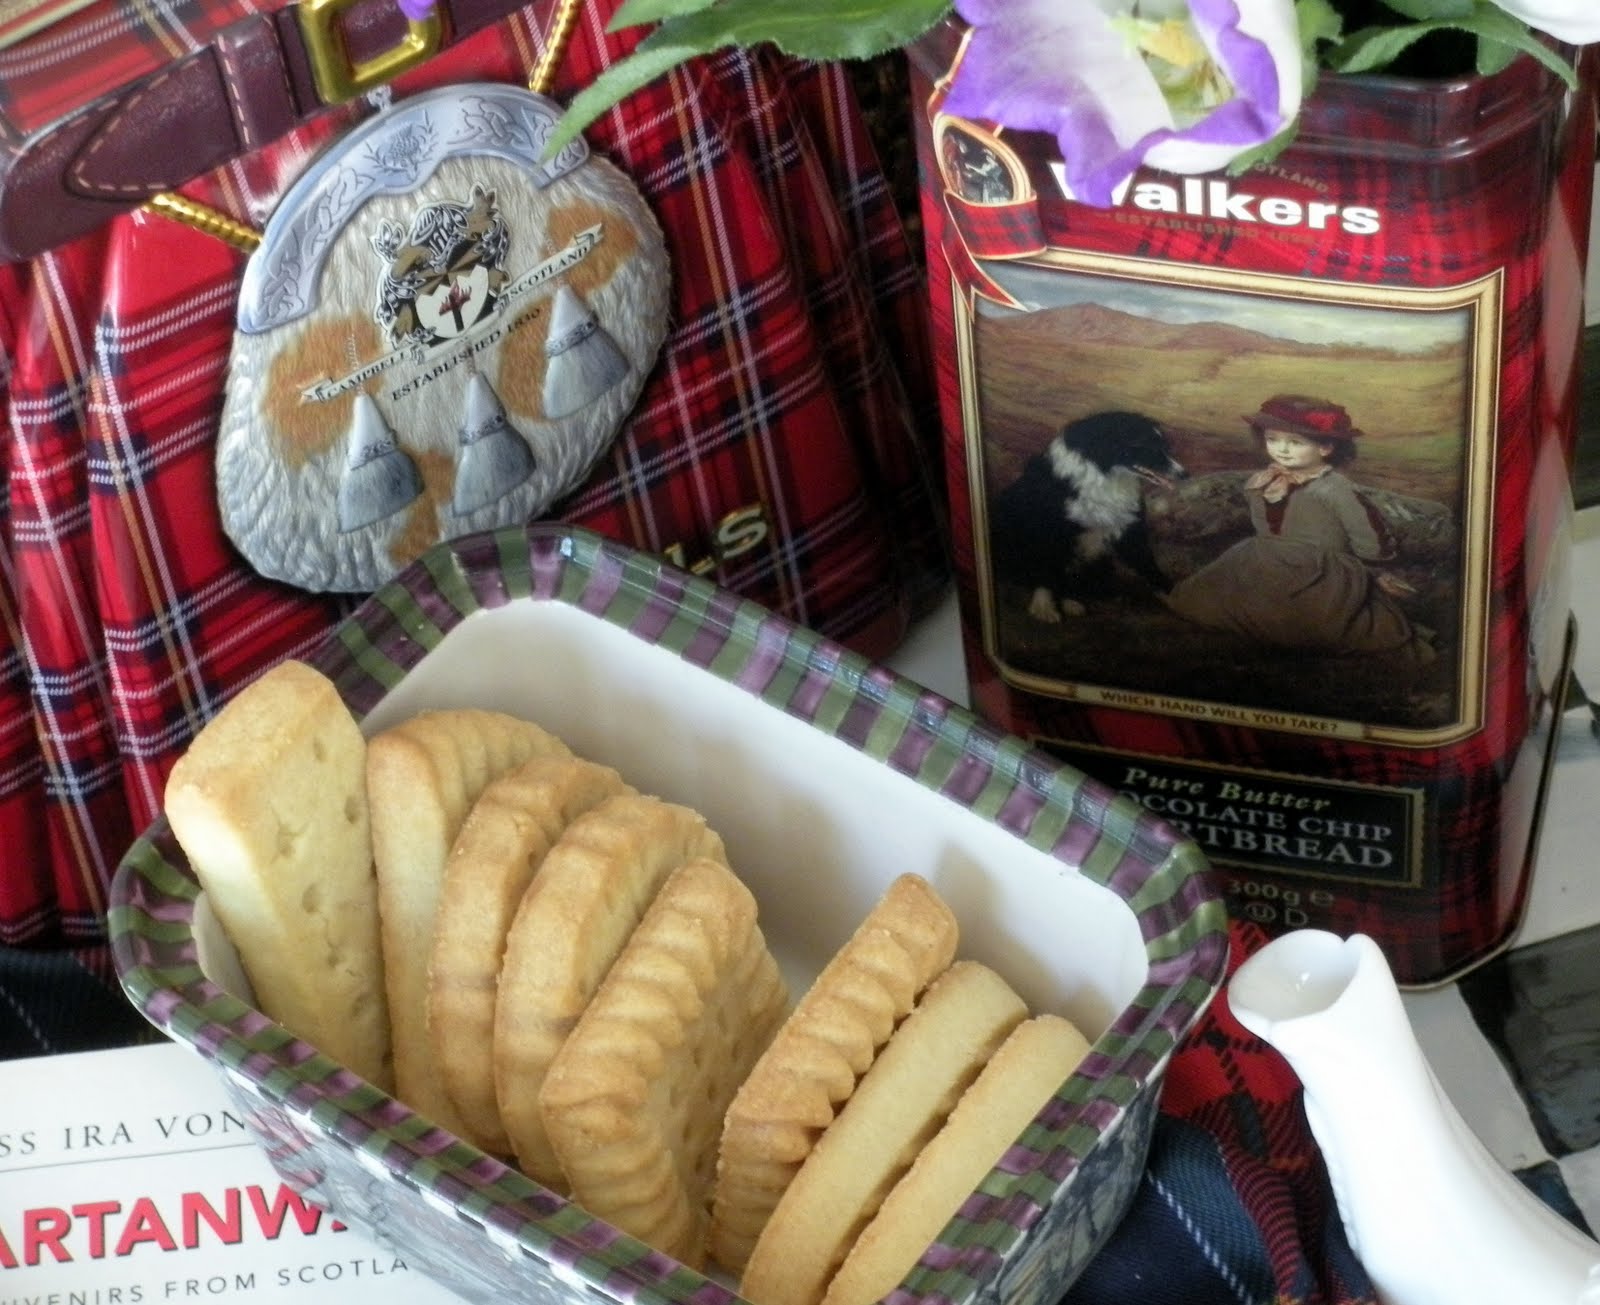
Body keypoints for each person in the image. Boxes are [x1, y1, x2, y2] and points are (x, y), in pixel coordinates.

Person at [1164, 394, 1434, 664]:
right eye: (1273, 440)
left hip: (1321, 568)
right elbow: (1264, 525)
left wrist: (1375, 565)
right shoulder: (1263, 481)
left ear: (1326, 448)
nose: (1282, 449)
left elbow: (1366, 532)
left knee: (1318, 625)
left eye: (1295, 442)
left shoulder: (1334, 488)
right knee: (1207, 602)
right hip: (1263, 558)